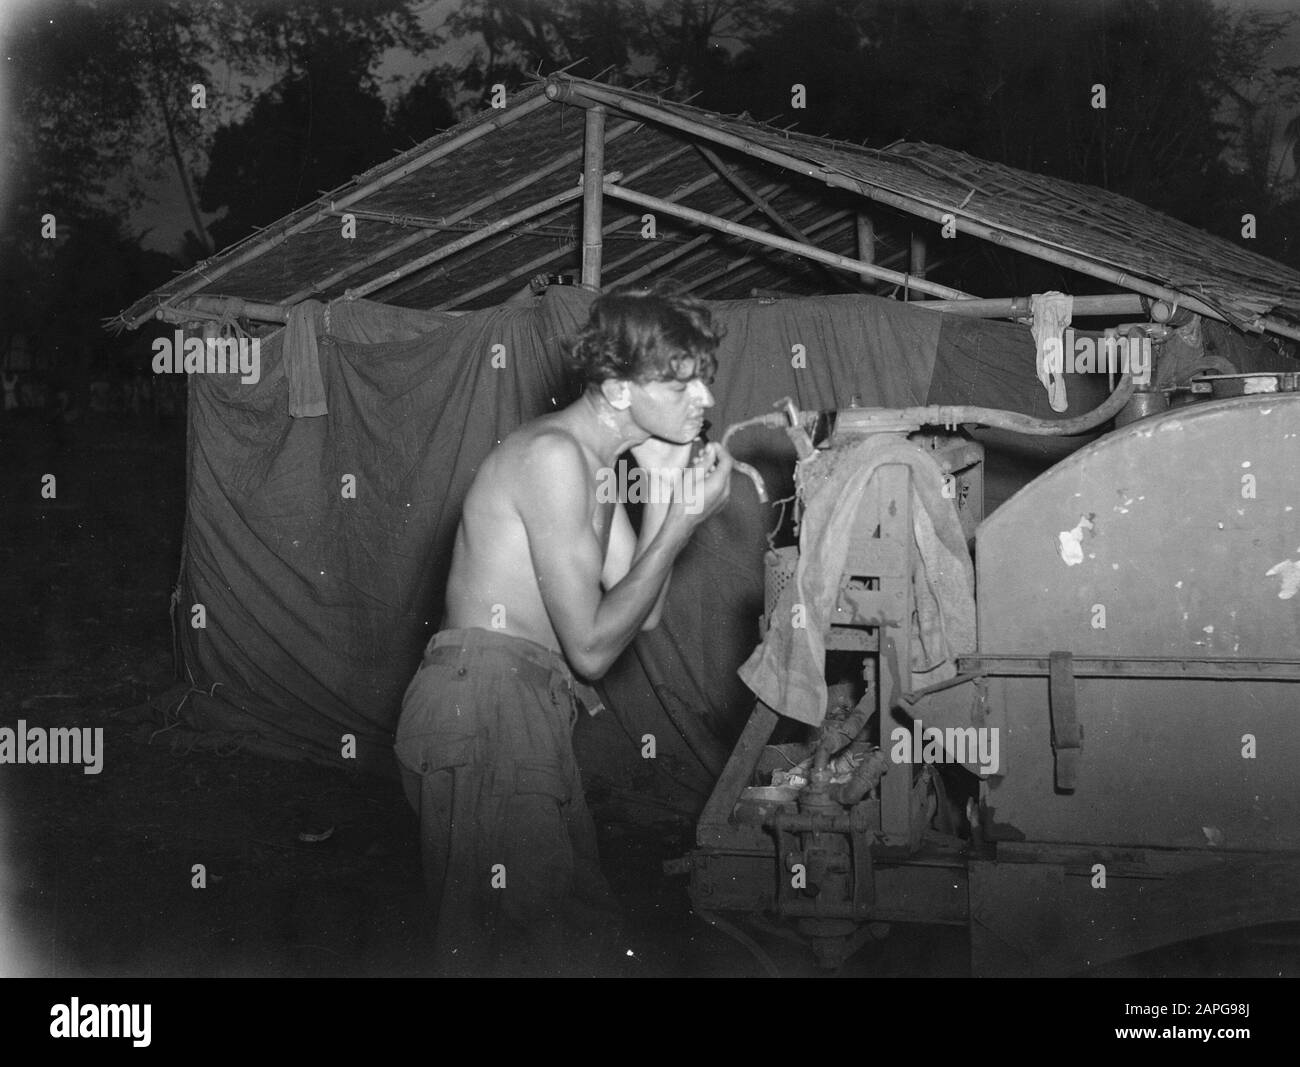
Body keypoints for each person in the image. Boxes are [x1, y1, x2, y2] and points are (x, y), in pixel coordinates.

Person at [394, 289, 733, 976]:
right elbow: (592, 645)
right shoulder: (553, 458)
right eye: (680, 381)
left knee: (572, 938)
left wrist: (665, 486)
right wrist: (679, 526)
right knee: (522, 949)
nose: (704, 397)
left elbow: (645, 610)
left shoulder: (598, 468)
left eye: (704, 377)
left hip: (523, 710)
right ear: (615, 388)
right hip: (488, 705)